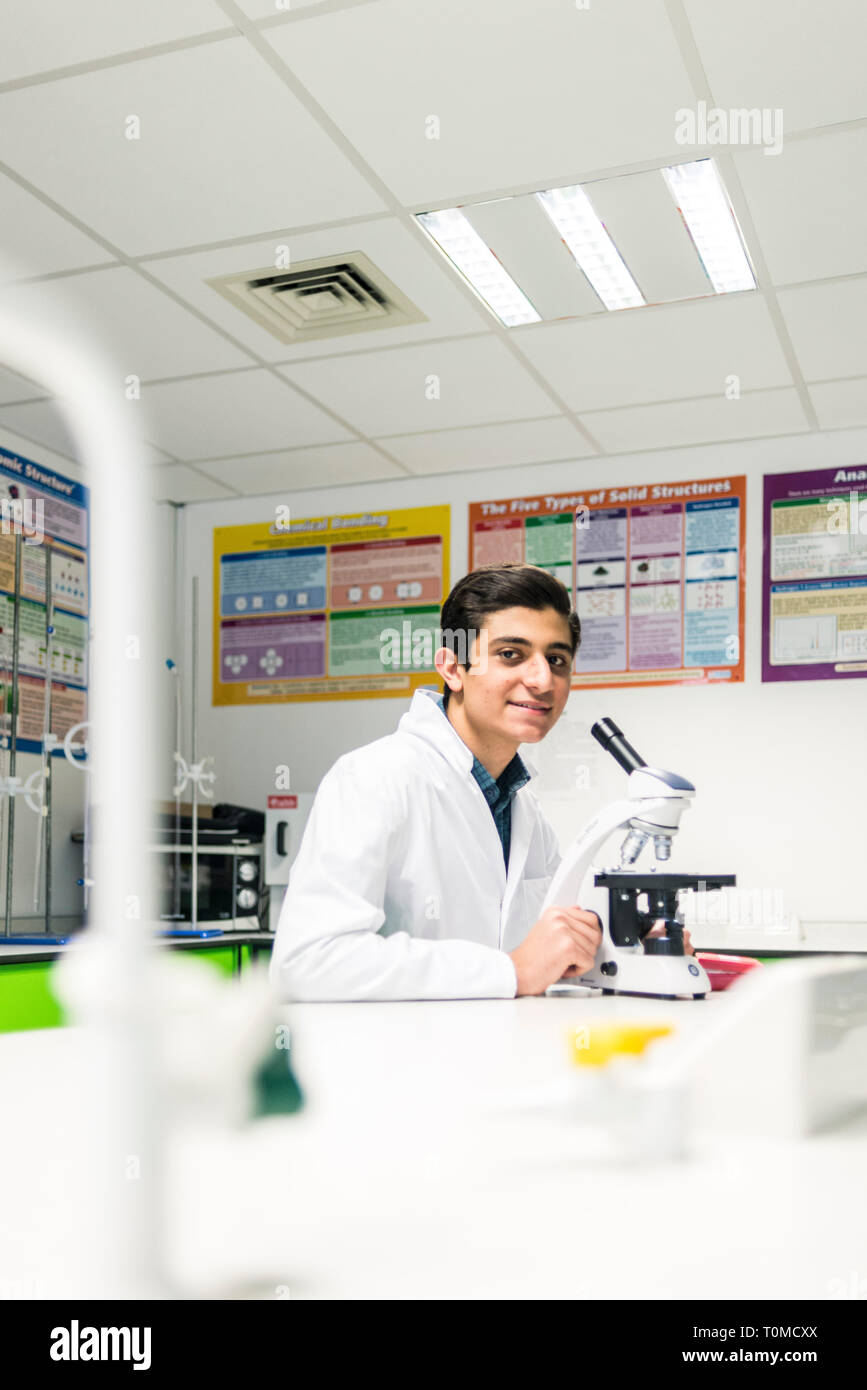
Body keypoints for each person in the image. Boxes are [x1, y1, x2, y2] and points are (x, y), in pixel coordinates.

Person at [269, 563, 683, 1002]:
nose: (542, 679)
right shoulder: (374, 779)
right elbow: (308, 963)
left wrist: (641, 947)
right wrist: (510, 972)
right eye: (511, 654)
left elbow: (547, 950)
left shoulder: (522, 809)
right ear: (452, 668)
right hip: (395, 1064)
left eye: (556, 659)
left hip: (492, 1056)